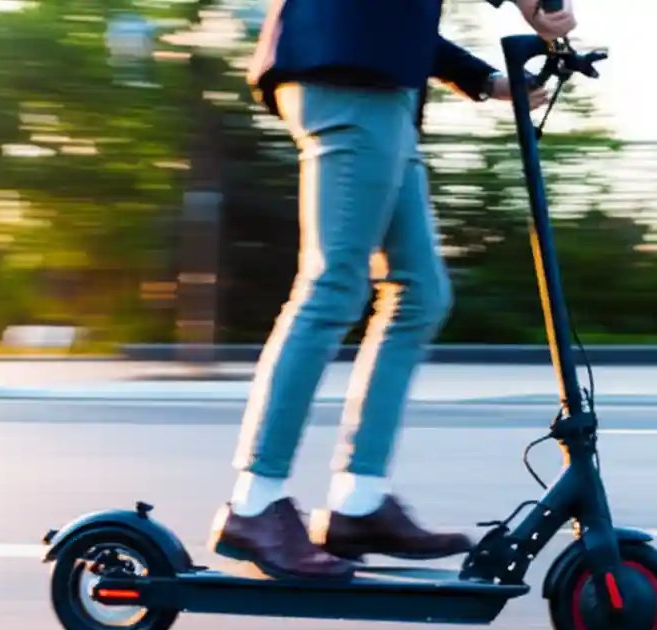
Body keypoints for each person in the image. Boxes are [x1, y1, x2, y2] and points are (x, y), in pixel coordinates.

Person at [210, 0, 578, 581]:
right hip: (347, 78)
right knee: (332, 286)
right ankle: (253, 502)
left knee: (421, 292)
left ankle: (358, 502)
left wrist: (484, 80)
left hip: (380, 85)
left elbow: (396, 19)